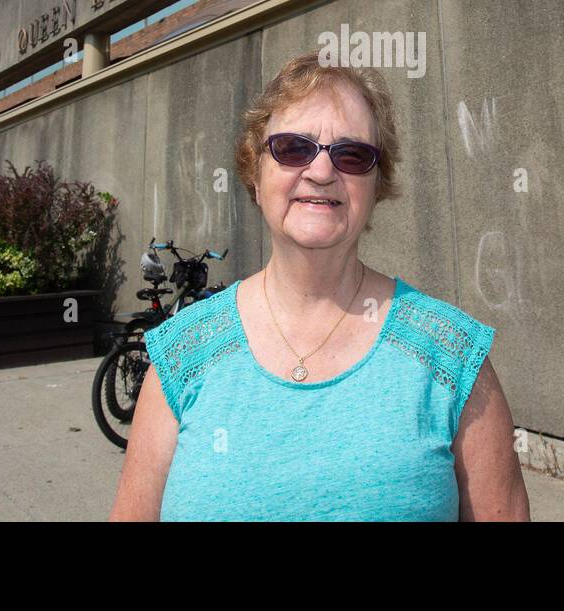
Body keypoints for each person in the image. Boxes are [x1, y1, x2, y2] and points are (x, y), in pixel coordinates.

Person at [109, 50, 529, 521]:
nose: (322, 171)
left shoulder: (452, 357)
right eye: (293, 148)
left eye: (352, 155)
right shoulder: (180, 355)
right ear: (255, 168)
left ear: (376, 183)